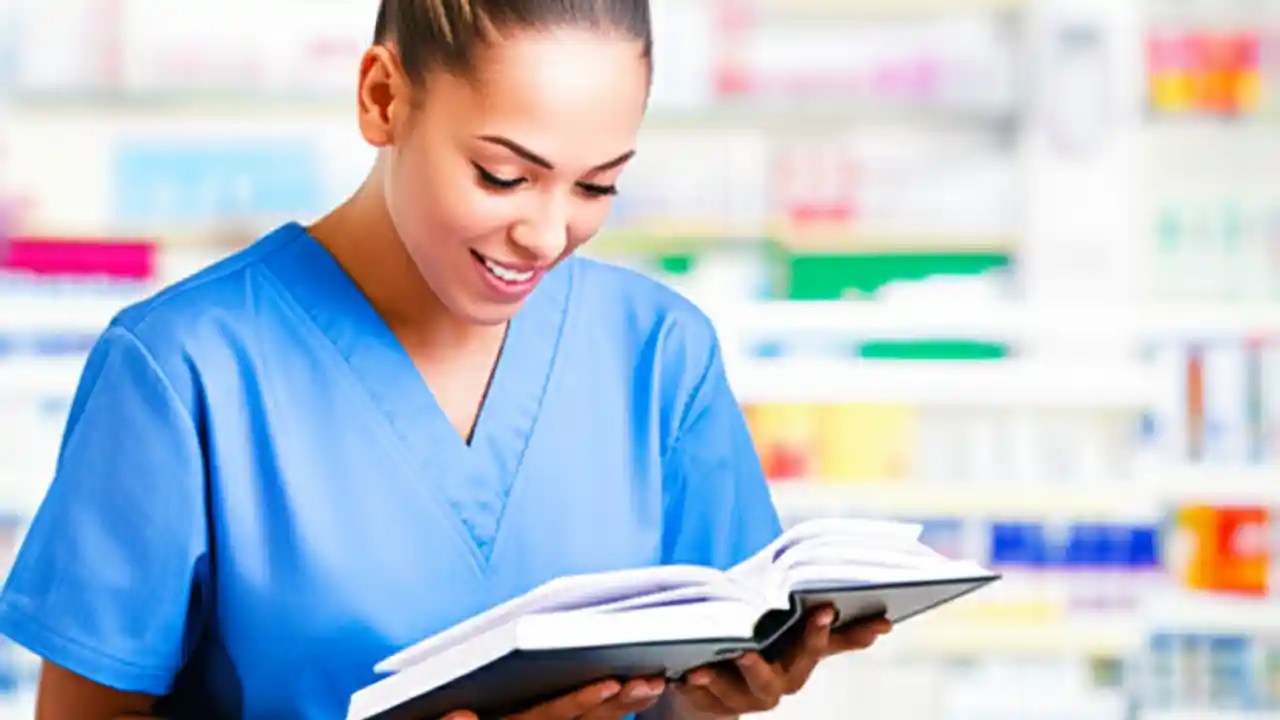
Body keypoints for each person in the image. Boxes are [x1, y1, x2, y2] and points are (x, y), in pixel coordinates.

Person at [0, 1, 891, 718]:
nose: (547, 235)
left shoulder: (660, 355)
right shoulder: (185, 369)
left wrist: (720, 702)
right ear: (384, 98)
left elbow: (678, 690)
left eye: (597, 185)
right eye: (503, 176)